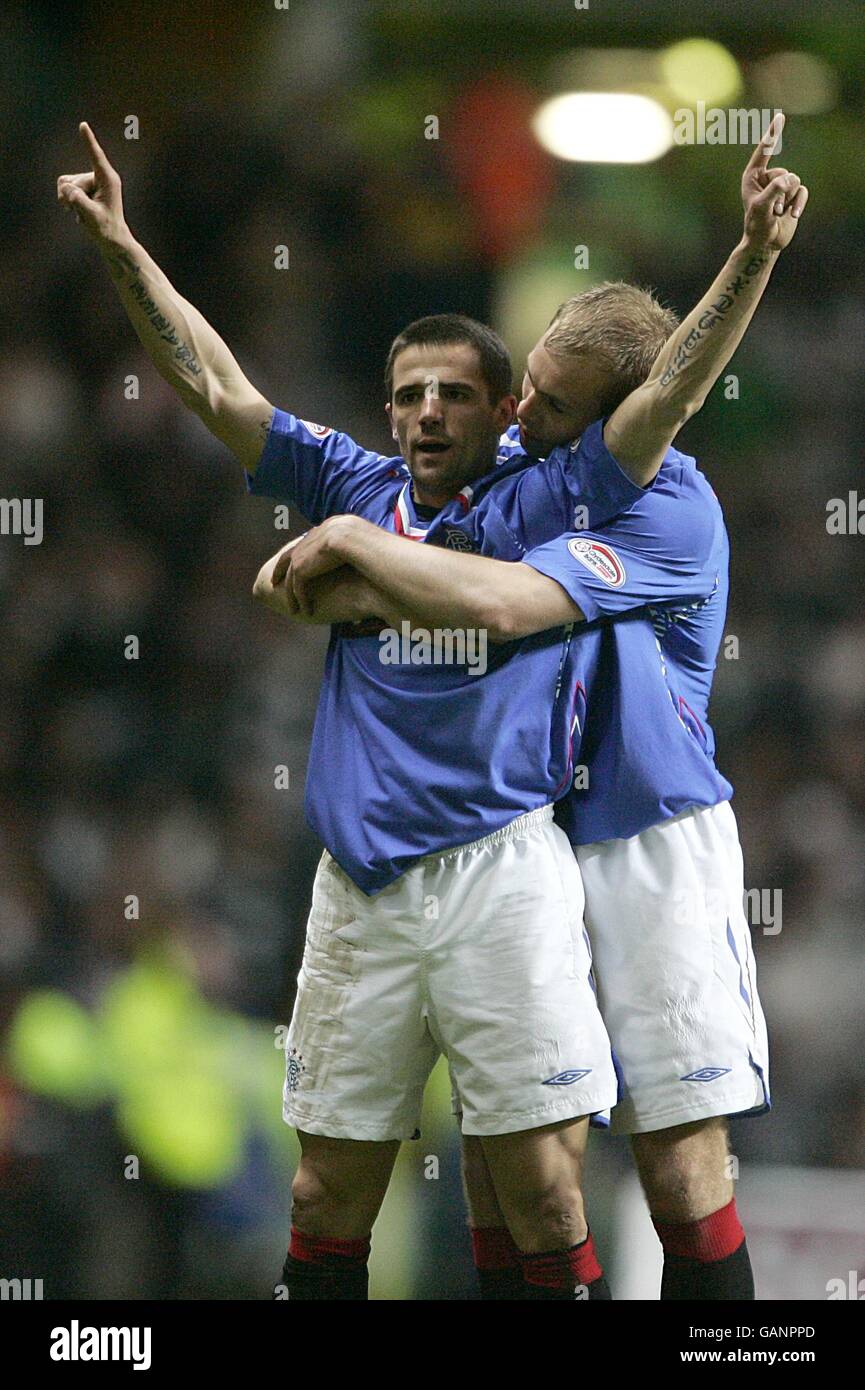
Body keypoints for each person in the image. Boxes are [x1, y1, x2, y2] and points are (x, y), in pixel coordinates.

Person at [256, 116, 808, 1300]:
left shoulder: (662, 516)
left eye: (556, 408)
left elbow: (504, 605)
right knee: (518, 1169)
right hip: (534, 838)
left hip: (650, 839)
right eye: (532, 385)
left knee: (676, 1162)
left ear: (611, 414)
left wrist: (752, 252)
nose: (521, 420)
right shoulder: (520, 475)